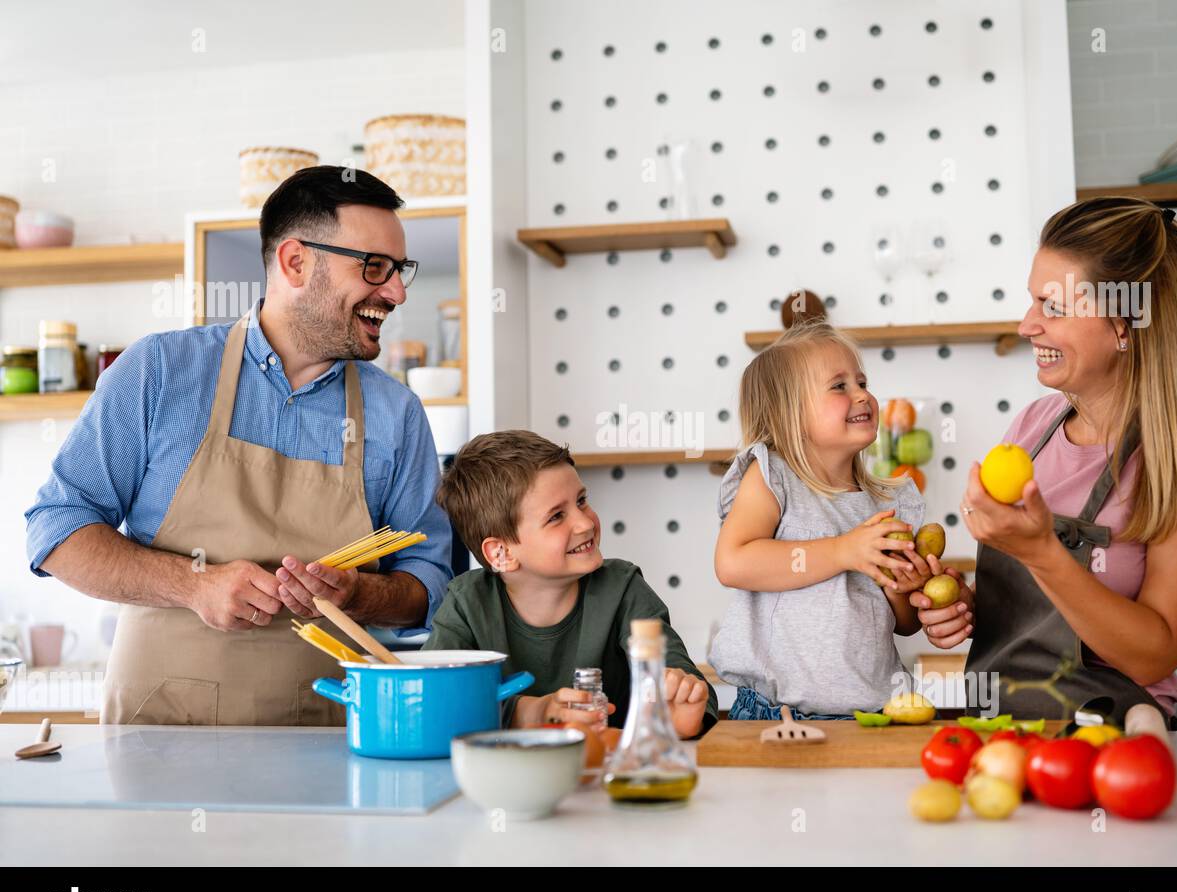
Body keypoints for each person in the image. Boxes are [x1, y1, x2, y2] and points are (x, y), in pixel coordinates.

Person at [26, 166, 453, 725]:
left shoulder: (398, 415)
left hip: (322, 739)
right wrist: (193, 584)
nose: (395, 292)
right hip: (160, 737)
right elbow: (56, 530)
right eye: (374, 267)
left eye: (400, 271)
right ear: (296, 262)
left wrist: (357, 592)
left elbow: (429, 583)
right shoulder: (160, 371)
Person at [912, 198, 1177, 726]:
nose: (1027, 325)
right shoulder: (1034, 427)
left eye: (1052, 307)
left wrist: (1042, 552)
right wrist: (967, 607)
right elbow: (1035, 611)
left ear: (1126, 322)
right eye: (1031, 302)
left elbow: (1155, 651)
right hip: (993, 737)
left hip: (1110, 746)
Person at [423, 430, 716, 739]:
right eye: (556, 516)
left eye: (582, 501)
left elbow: (687, 682)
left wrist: (682, 709)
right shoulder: (466, 603)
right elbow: (432, 701)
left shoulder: (623, 589)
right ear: (502, 553)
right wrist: (529, 711)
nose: (586, 523)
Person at [710, 320, 936, 720]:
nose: (862, 394)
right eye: (840, 386)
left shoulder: (890, 502)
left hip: (873, 713)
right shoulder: (772, 477)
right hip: (776, 714)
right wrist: (843, 550)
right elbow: (733, 562)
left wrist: (905, 587)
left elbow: (904, 625)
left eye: (862, 382)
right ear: (789, 414)